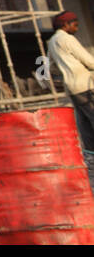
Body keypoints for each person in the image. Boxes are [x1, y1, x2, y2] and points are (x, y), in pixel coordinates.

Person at [46, 11, 94, 154]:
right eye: (75, 25)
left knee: (85, 123)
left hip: (71, 87)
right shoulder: (68, 39)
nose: (76, 28)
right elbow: (89, 61)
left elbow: (52, 67)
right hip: (84, 86)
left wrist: (66, 70)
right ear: (66, 25)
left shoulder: (52, 42)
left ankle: (91, 154)